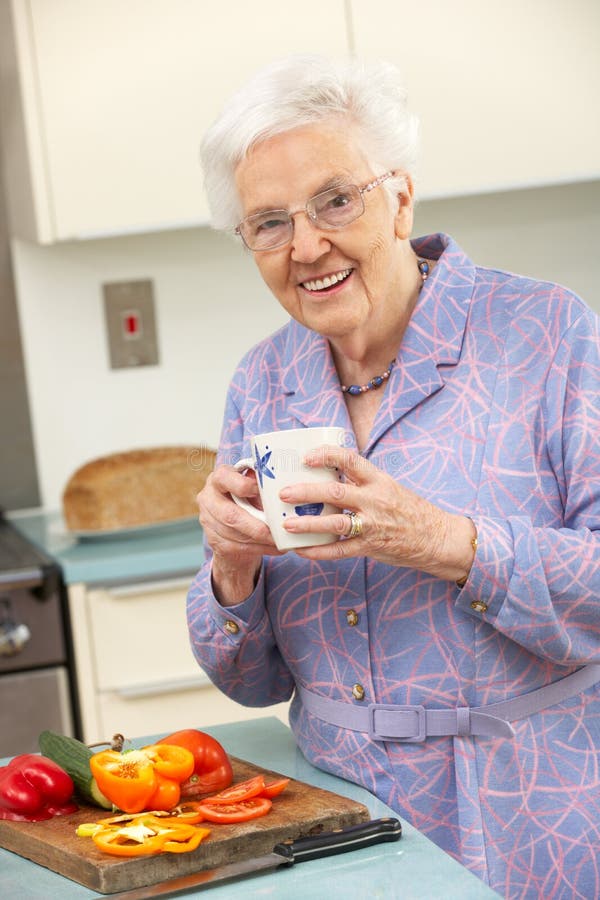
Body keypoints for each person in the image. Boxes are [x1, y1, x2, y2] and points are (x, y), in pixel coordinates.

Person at [186, 55, 600, 899]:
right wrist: (230, 566)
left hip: (536, 816)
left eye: (336, 200)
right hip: (335, 827)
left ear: (401, 196)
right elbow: (250, 681)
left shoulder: (548, 333)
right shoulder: (261, 382)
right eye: (268, 223)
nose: (307, 246)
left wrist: (443, 542)